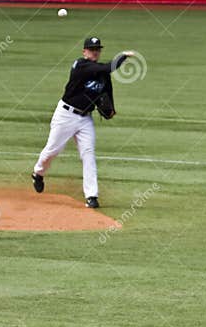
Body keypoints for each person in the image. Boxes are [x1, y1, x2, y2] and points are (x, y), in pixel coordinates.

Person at [31, 36, 135, 208]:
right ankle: (38, 173)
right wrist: (123, 56)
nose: (95, 52)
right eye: (92, 49)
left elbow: (106, 91)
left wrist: (111, 109)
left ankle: (91, 196)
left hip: (85, 119)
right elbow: (109, 67)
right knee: (52, 150)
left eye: (97, 49)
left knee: (88, 154)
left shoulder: (102, 73)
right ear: (84, 51)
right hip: (66, 116)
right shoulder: (81, 65)